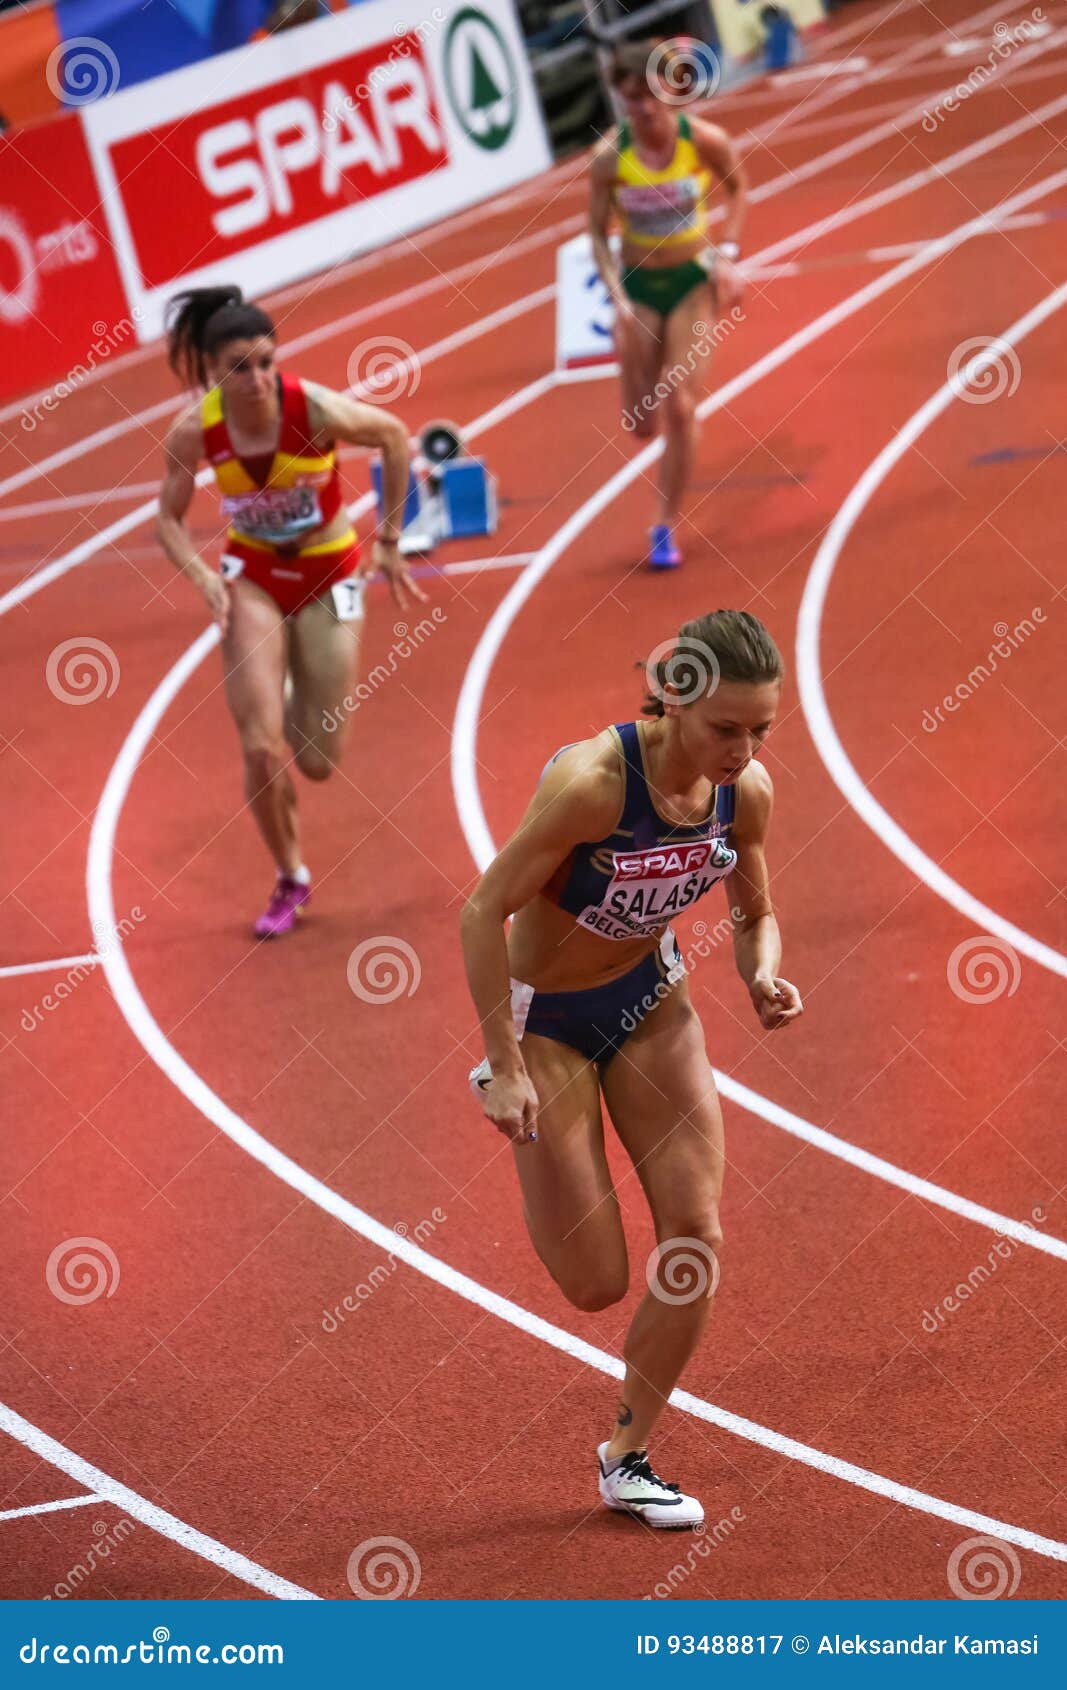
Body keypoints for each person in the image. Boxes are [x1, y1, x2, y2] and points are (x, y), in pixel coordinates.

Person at [461, 610, 802, 1526]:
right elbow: (481, 909)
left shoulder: (746, 794)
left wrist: (762, 971)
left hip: (652, 1002)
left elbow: (753, 910)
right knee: (595, 1283)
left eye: (761, 728)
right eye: (725, 728)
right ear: (675, 701)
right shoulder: (591, 785)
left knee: (696, 1238)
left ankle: (627, 1455)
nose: (742, 749)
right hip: (548, 1022)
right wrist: (502, 1062)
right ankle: (516, 1097)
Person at [156, 285, 422, 937]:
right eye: (239, 368)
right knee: (258, 748)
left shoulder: (316, 408)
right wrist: (203, 579)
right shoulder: (195, 432)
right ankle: (290, 875)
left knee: (317, 760)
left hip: (331, 573)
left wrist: (387, 539)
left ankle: (302, 678)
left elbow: (393, 436)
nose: (257, 379)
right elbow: (166, 519)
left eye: (267, 362)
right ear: (212, 375)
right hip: (252, 579)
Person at [589, 40, 747, 570]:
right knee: (641, 425)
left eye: (653, 95)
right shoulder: (610, 159)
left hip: (691, 282)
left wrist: (727, 255)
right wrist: (614, 295)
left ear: (671, 89)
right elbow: (594, 232)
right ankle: (624, 352)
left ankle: (663, 524)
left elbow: (738, 189)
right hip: (639, 287)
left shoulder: (704, 141)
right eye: (633, 99)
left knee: (680, 406)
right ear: (622, 101)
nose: (645, 108)